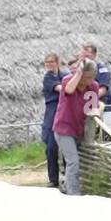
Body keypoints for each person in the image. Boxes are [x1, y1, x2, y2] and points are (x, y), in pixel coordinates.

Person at [51, 58, 101, 196]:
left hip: (80, 129)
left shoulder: (94, 87)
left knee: (84, 161)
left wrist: (97, 112)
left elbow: (94, 107)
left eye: (91, 77)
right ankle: (74, 196)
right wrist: (78, 73)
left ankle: (73, 188)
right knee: (73, 162)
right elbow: (69, 90)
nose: (88, 81)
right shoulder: (68, 80)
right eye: (85, 77)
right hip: (64, 128)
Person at [40, 53, 68, 189]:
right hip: (52, 112)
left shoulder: (64, 75)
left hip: (65, 112)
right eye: (46, 62)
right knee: (51, 147)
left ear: (57, 62)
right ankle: (53, 178)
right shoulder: (48, 78)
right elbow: (62, 89)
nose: (49, 64)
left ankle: (68, 175)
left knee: (66, 145)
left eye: (51, 62)